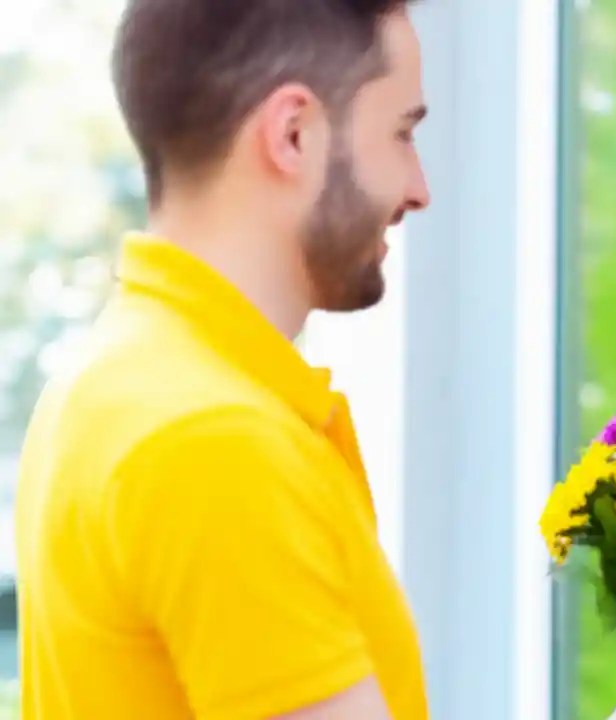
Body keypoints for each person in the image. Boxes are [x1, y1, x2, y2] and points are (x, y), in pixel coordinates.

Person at [14, 1, 430, 718]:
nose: (419, 188)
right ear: (293, 134)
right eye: (401, 133)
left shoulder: (110, 382)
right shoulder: (216, 440)